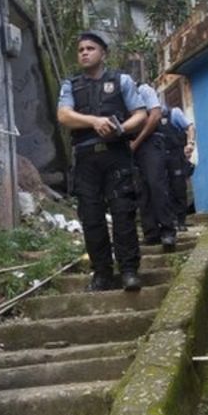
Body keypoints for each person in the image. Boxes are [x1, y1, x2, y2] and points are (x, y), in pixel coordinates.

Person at [57, 31, 147, 291]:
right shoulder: (70, 85)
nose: (84, 53)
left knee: (123, 213)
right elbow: (64, 116)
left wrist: (121, 129)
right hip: (86, 159)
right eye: (81, 49)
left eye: (90, 48)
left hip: (116, 155)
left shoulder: (122, 81)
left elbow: (140, 114)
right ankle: (102, 274)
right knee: (92, 217)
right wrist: (94, 121)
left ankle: (129, 271)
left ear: (103, 53)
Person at [131, 82, 177, 250]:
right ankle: (150, 233)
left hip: (150, 142)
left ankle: (167, 231)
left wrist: (136, 142)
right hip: (132, 145)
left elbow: (155, 115)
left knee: (156, 184)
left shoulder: (143, 90)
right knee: (140, 190)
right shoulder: (122, 96)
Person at [162, 105, 194, 230]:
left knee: (179, 188)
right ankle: (171, 221)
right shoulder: (151, 117)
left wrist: (190, 143)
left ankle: (181, 221)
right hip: (160, 158)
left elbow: (190, 127)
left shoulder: (174, 113)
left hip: (176, 156)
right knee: (165, 190)